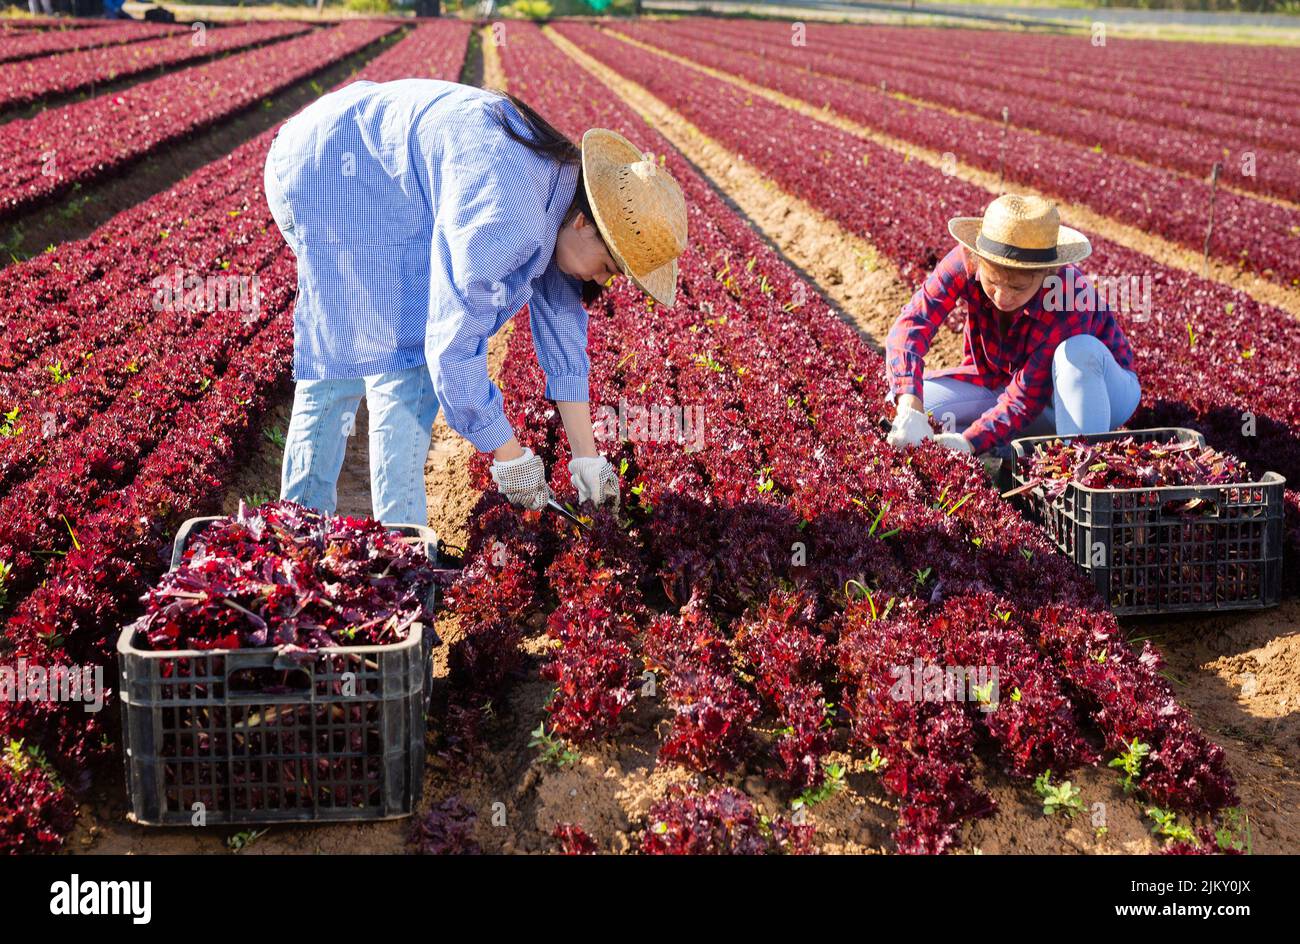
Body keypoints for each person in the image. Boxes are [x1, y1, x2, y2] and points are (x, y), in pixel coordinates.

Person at [263, 80, 688, 524]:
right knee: (373, 368)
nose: (600, 280)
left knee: (398, 366)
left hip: (379, 188)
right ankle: (321, 531)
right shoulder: (509, 214)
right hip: (327, 173)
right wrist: (509, 456)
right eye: (607, 266)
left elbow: (563, 330)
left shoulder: (559, 194)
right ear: (585, 221)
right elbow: (452, 347)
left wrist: (587, 459)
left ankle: (390, 538)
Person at [884, 194, 1140, 455]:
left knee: (1076, 353)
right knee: (917, 404)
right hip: (1008, 385)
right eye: (992, 282)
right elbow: (914, 322)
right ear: (976, 261)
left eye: (1018, 287)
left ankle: (1079, 463)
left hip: (1099, 393)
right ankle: (1025, 446)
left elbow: (1026, 398)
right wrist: (909, 405)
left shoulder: (1068, 295)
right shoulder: (965, 260)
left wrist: (969, 442)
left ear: (1048, 273)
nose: (1002, 297)